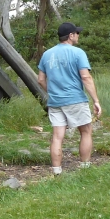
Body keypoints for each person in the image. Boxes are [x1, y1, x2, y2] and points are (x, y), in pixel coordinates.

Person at [37, 22, 101, 175]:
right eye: (77, 33)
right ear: (71, 35)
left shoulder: (47, 54)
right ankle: (85, 167)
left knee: (57, 137)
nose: (78, 36)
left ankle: (57, 171)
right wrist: (96, 100)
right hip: (75, 99)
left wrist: (51, 92)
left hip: (55, 102)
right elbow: (86, 77)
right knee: (85, 132)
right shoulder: (78, 53)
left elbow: (40, 80)